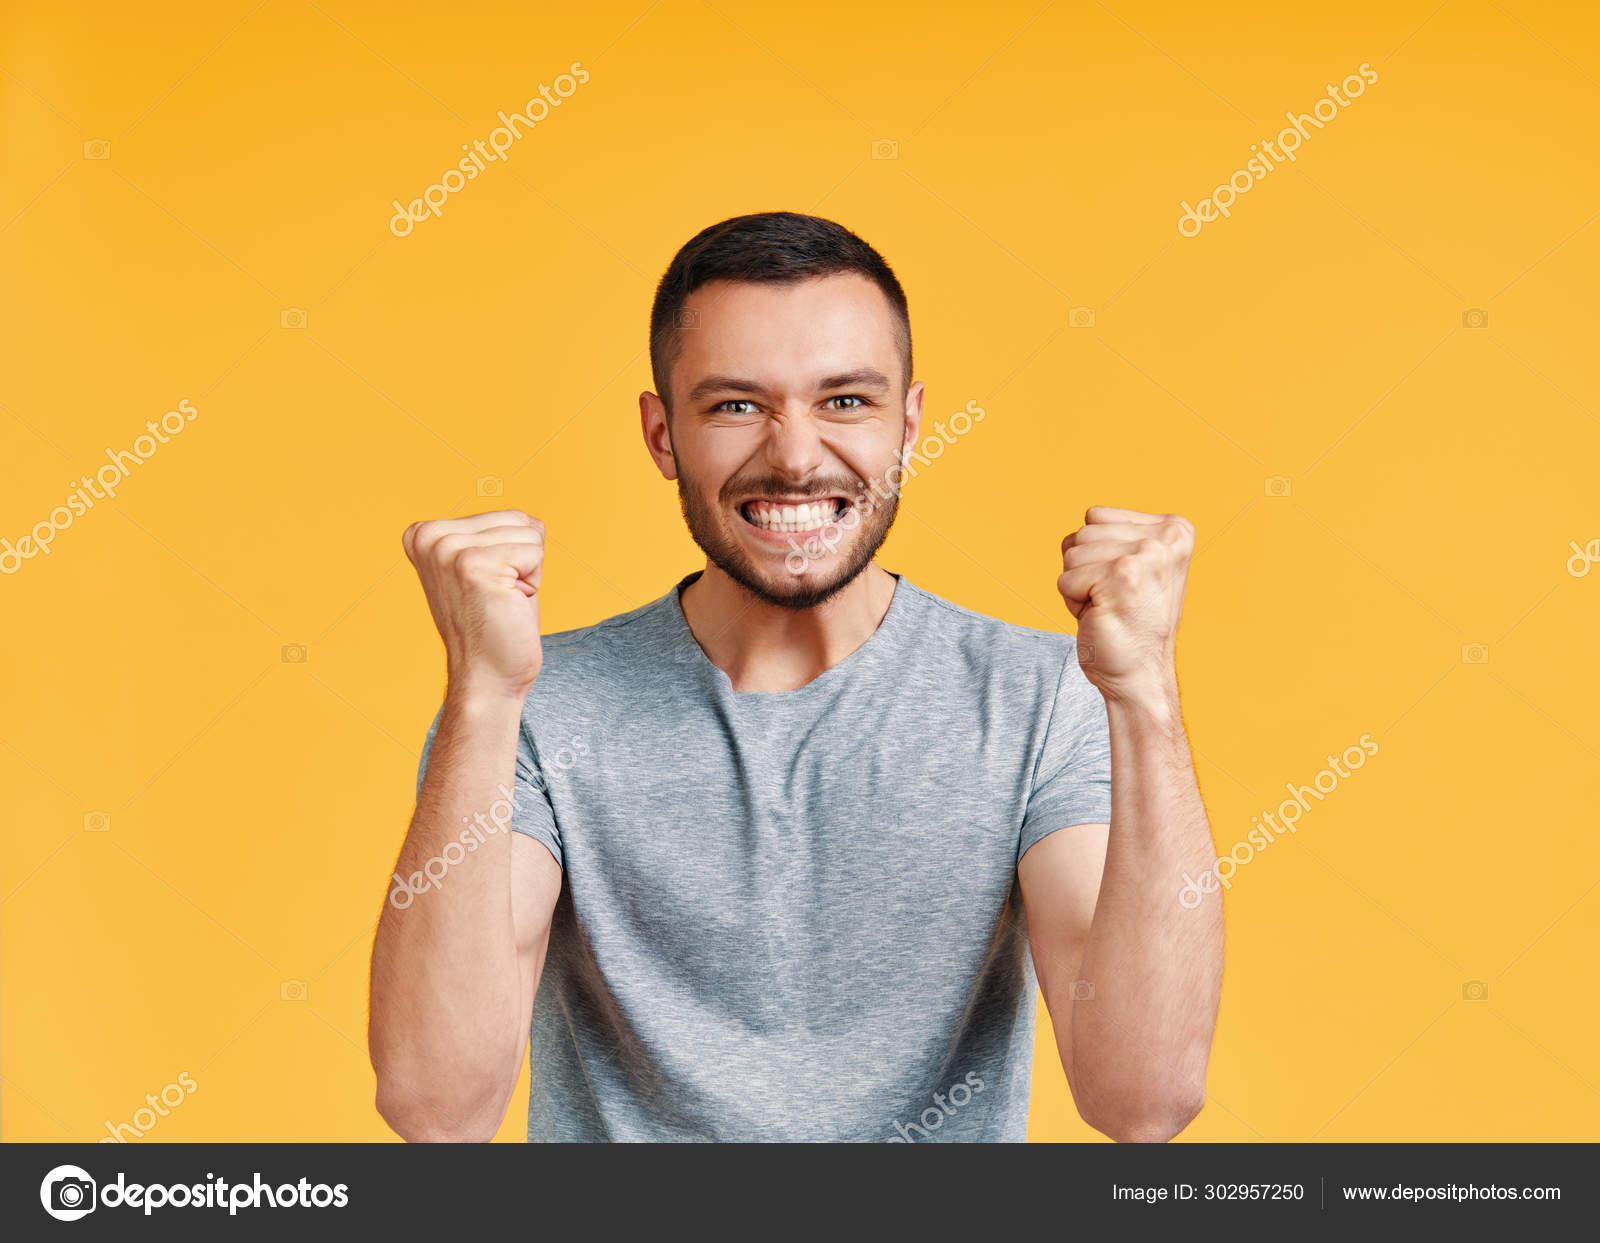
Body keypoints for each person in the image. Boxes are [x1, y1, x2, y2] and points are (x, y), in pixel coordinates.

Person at [367, 211, 1223, 1142]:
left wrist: (1145, 694)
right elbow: (437, 1106)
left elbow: (1142, 1097)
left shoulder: (1041, 697)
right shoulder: (539, 707)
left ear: (910, 424)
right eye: (736, 406)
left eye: (845, 401)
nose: (795, 456)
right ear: (662, 435)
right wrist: (483, 696)